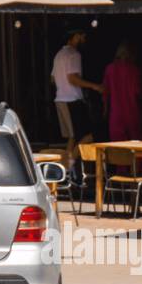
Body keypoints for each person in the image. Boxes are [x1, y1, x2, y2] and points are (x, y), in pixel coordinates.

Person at [51, 26, 103, 178]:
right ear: (74, 37)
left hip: (60, 98)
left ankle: (68, 170)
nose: (84, 39)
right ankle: (67, 167)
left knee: (72, 137)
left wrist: (62, 87)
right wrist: (94, 86)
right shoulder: (74, 54)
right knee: (88, 136)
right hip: (71, 100)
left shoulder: (59, 54)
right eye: (82, 36)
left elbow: (53, 78)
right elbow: (72, 78)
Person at [101, 42, 142, 141]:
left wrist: (105, 109)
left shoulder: (110, 69)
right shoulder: (134, 70)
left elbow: (105, 91)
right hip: (132, 111)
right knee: (136, 145)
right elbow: (138, 91)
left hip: (116, 113)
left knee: (118, 145)